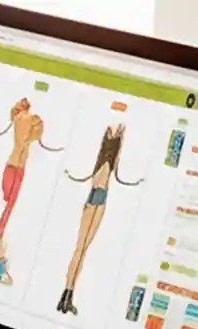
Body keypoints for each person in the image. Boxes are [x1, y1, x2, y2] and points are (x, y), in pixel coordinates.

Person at [58, 124, 144, 315]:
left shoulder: (104, 163)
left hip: (96, 200)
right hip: (96, 202)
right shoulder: (105, 163)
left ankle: (66, 296)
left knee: (81, 250)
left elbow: (112, 163)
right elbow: (112, 161)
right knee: (81, 250)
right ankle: (67, 295)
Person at [0, 97, 62, 288]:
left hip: (10, 166)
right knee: (8, 212)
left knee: (7, 209)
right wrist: (38, 124)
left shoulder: (17, 118)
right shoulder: (32, 120)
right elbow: (36, 135)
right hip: (18, 168)